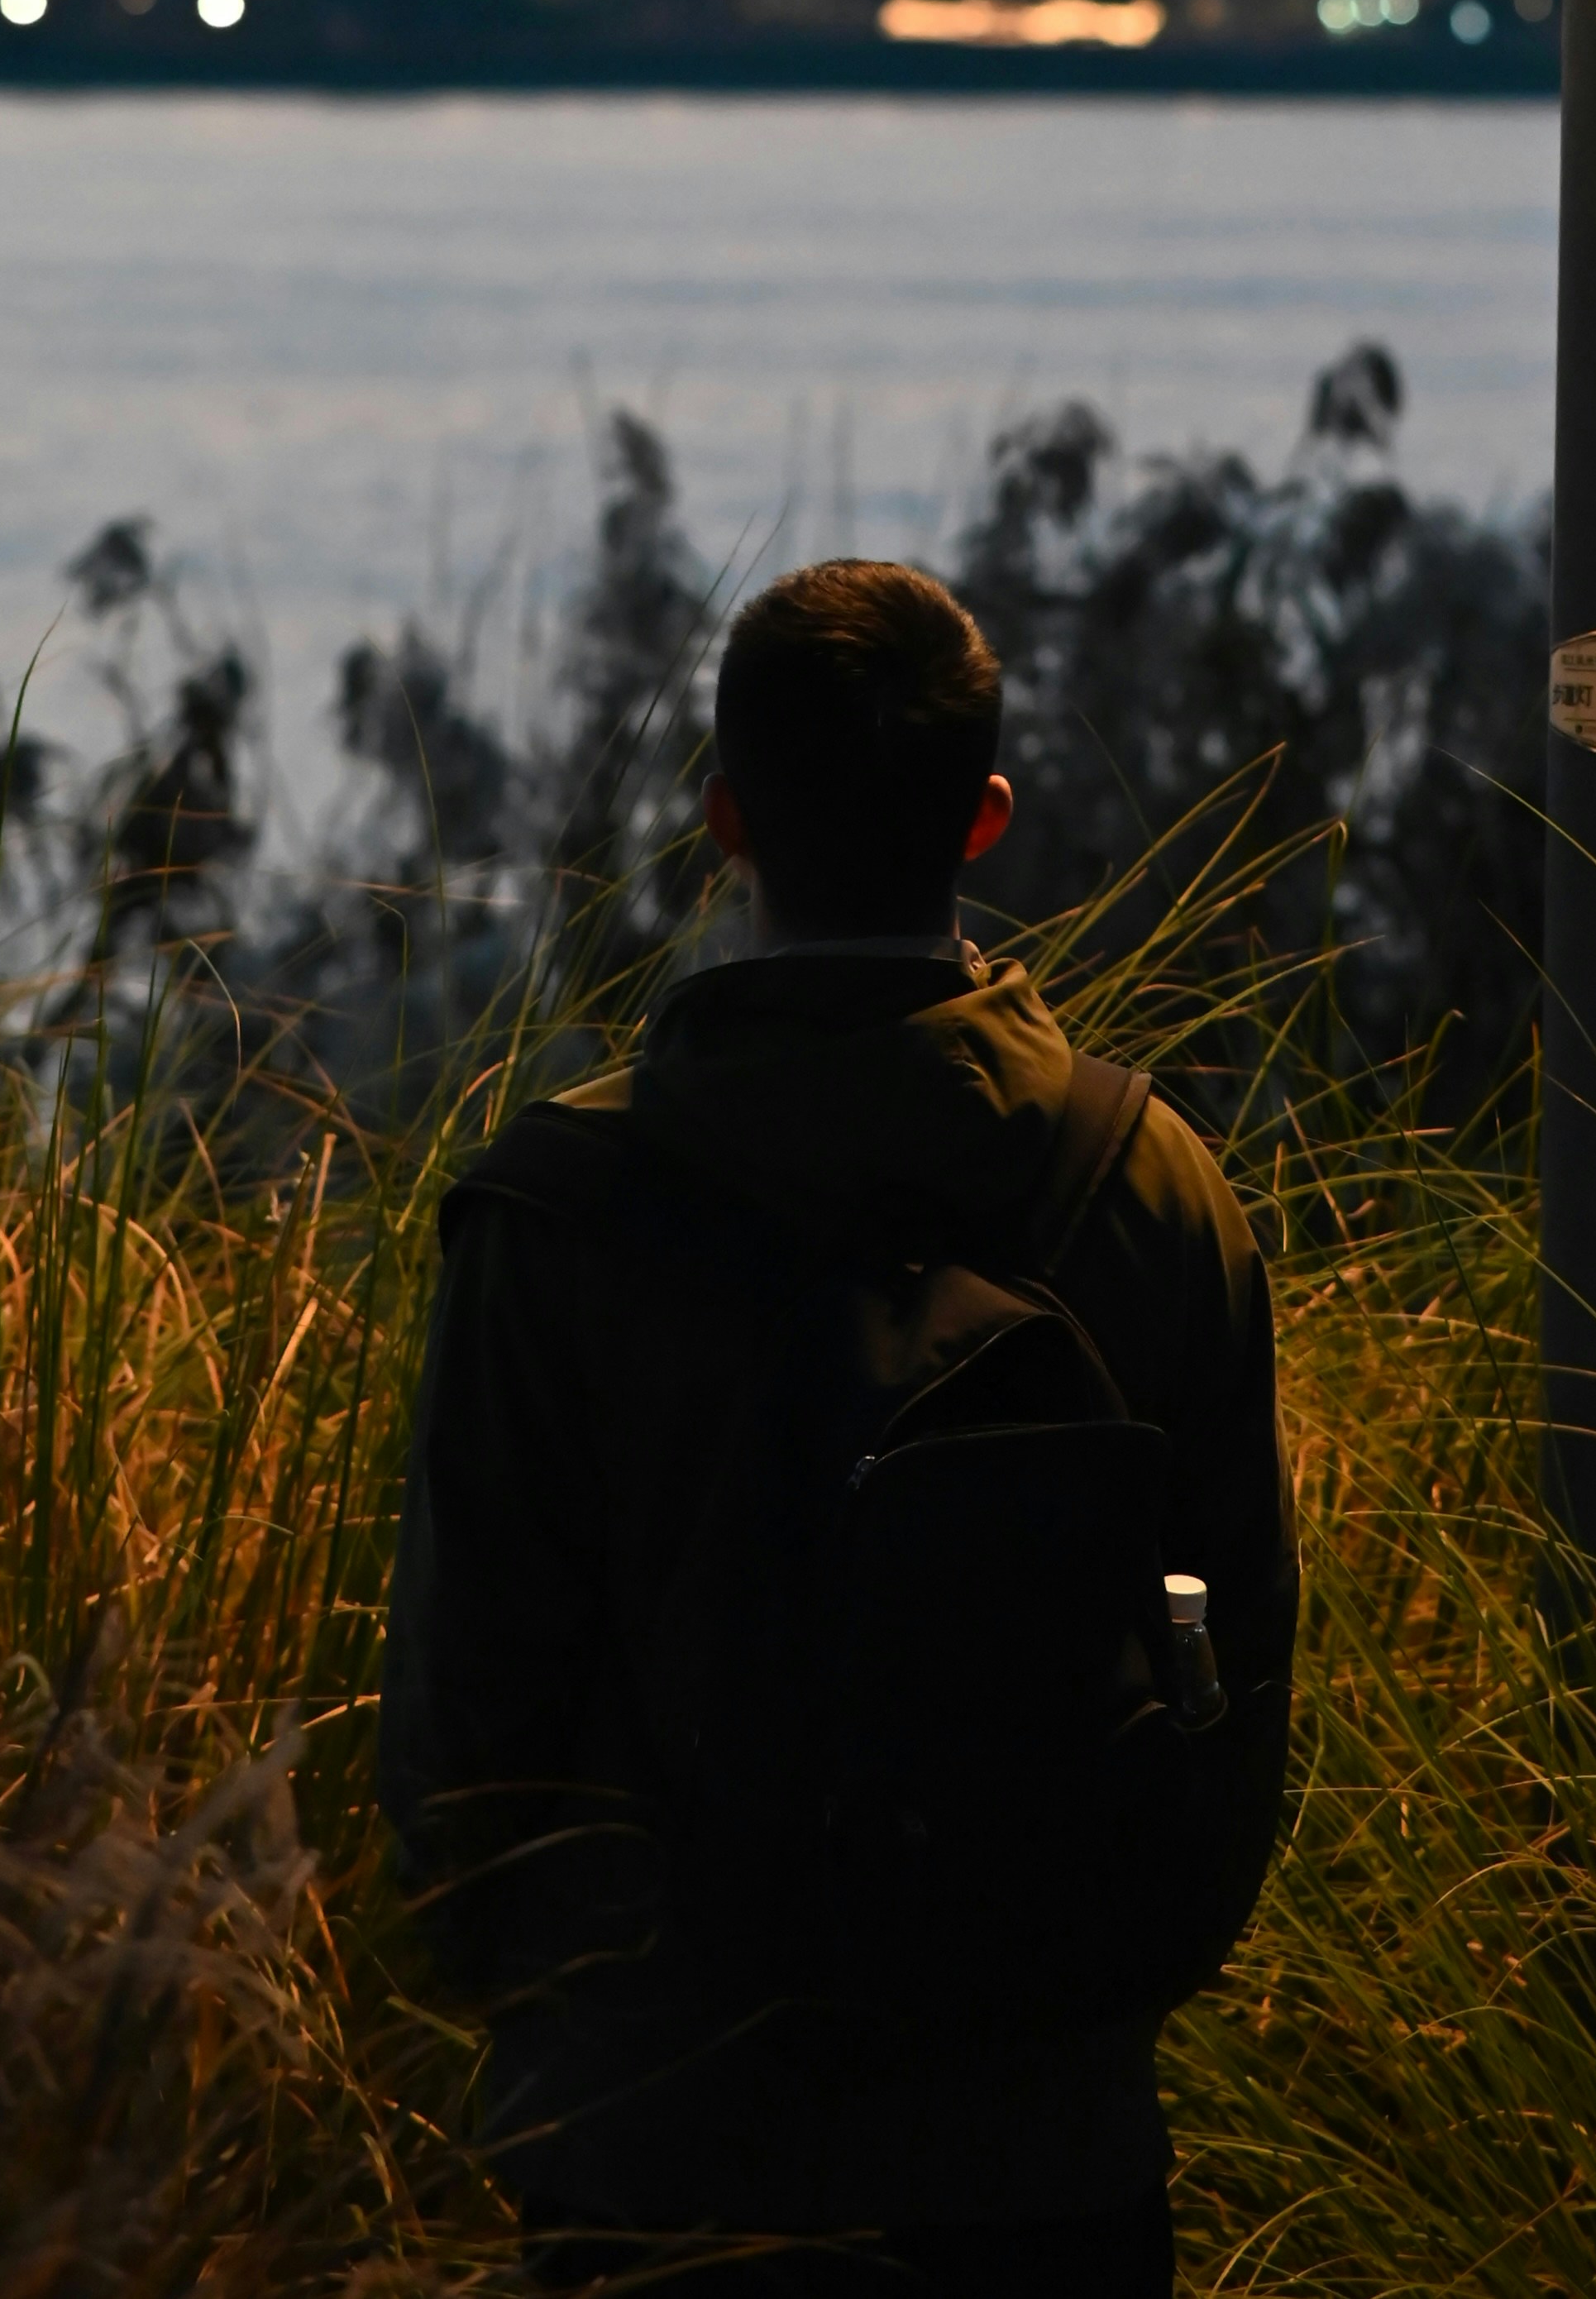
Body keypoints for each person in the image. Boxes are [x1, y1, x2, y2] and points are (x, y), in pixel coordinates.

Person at [378, 556, 1297, 2293]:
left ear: (723, 815)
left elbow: (464, 1727)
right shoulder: (1146, 1182)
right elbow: (1236, 1645)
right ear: (986, 819)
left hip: (662, 2152)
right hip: (1043, 2148)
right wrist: (1105, 1987)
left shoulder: (554, 1215)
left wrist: (555, 2018)